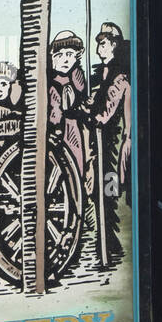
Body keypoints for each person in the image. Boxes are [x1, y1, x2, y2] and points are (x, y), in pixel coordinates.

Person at [87, 21, 132, 267]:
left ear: (114, 45)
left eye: (103, 44)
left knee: (108, 192)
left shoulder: (119, 77)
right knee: (102, 193)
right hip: (102, 143)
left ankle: (110, 247)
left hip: (112, 145)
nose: (99, 50)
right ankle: (107, 245)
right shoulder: (103, 74)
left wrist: (87, 113)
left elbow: (105, 113)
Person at [47, 30, 87, 177]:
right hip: (56, 132)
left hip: (73, 129)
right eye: (59, 55)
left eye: (69, 55)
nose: (65, 60)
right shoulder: (51, 85)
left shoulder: (77, 81)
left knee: (76, 165)